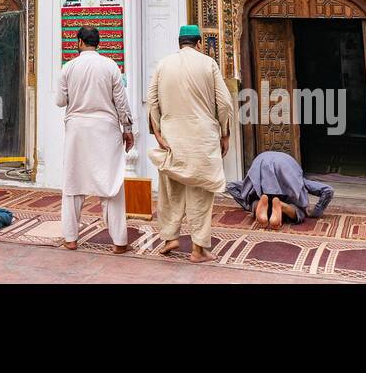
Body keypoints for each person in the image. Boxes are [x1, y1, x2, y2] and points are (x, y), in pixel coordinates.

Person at [146, 24, 235, 262]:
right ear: (199, 44)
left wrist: (157, 133)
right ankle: (198, 249)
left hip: (171, 139)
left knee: (170, 192)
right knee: (201, 194)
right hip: (202, 140)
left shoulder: (164, 64)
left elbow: (152, 101)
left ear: (179, 44)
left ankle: (170, 237)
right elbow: (224, 103)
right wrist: (225, 133)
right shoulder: (208, 64)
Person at [57, 25, 134, 253]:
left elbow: (61, 101)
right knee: (111, 185)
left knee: (73, 184)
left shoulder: (68, 68)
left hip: (77, 131)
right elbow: (121, 101)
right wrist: (127, 128)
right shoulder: (110, 66)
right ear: (98, 42)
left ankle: (70, 239)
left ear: (79, 42)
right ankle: (120, 242)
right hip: (106, 130)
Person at [227, 150, 335, 228]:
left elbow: (231, 186)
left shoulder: (257, 178)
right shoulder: (295, 177)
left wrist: (247, 205)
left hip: (261, 163)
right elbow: (328, 190)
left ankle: (259, 205)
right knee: (300, 213)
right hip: (285, 166)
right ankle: (282, 206)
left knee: (254, 200)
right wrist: (316, 212)